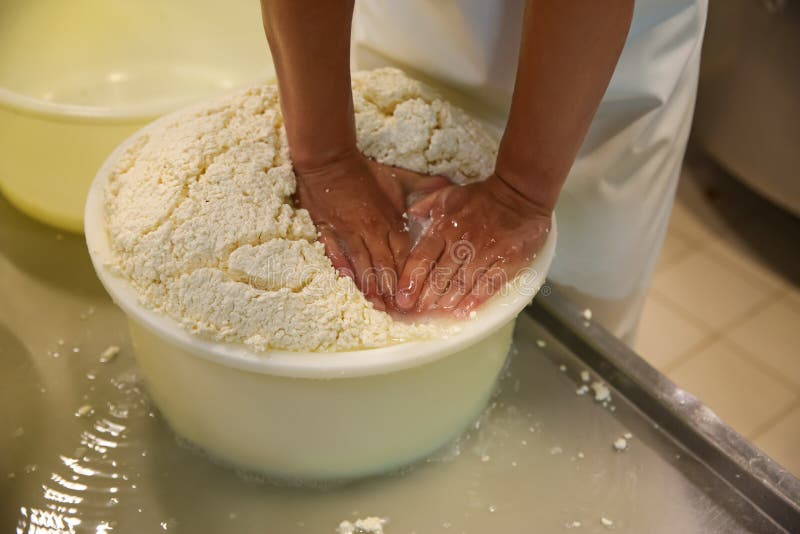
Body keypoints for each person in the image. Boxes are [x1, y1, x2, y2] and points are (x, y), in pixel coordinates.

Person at [260, 0, 708, 343]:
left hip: (598, 74)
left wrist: (521, 193)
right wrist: (328, 157)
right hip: (421, 25)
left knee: (569, 335)